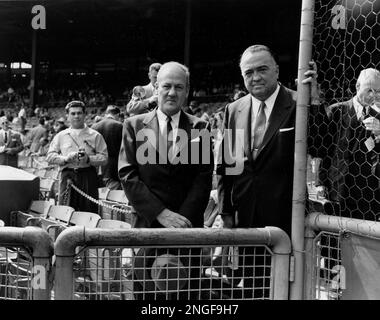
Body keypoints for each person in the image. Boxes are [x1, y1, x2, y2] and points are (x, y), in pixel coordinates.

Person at [216, 44, 316, 298]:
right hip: (246, 220)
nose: (256, 77)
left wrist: (314, 100)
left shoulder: (298, 103)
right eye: (249, 72)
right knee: (252, 290)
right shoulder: (234, 109)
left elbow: (322, 144)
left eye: (262, 69)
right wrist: (226, 213)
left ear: (277, 70)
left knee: (286, 289)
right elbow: (227, 164)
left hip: (287, 220)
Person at [118, 61, 214, 299]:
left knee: (186, 295)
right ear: (156, 88)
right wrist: (161, 213)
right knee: (148, 297)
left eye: (179, 87)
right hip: (147, 227)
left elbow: (202, 178)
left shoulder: (199, 127)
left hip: (187, 229)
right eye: (167, 86)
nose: (172, 92)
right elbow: (128, 175)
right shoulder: (134, 125)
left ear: (187, 91)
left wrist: (181, 220)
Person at [311, 68, 380, 220]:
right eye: (369, 90)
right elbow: (325, 148)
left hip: (365, 193)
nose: (373, 95)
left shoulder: (378, 118)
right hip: (336, 188)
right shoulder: (337, 110)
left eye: (377, 91)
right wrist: (320, 182)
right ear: (357, 86)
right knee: (335, 236)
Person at [47, 100, 108, 213]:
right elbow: (50, 156)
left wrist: (88, 159)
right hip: (67, 176)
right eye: (73, 113)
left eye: (79, 113)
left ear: (85, 114)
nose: (76, 116)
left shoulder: (95, 135)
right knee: (65, 212)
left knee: (89, 211)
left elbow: (104, 158)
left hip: (88, 176)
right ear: (67, 116)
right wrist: (65, 159)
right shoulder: (61, 135)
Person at [92, 105, 123, 190]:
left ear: (106, 114)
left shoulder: (94, 126)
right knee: (115, 190)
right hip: (115, 164)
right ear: (117, 115)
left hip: (97, 163)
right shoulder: (120, 125)